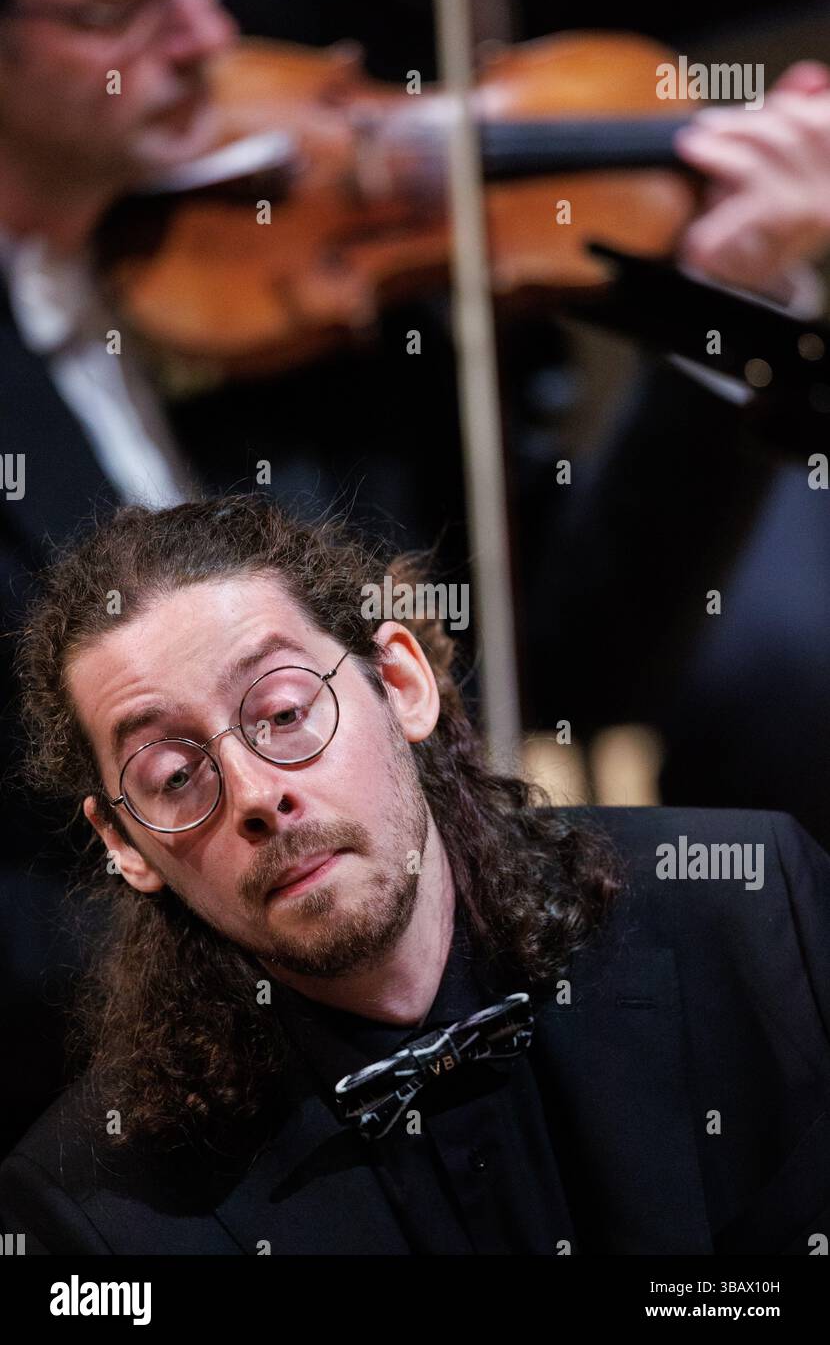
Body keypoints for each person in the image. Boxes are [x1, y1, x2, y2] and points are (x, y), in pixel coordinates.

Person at [0, 491, 827, 1255]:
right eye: (174, 776)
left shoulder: (759, 915)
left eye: (284, 713)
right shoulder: (92, 1215)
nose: (256, 795)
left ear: (400, 683)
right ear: (125, 845)